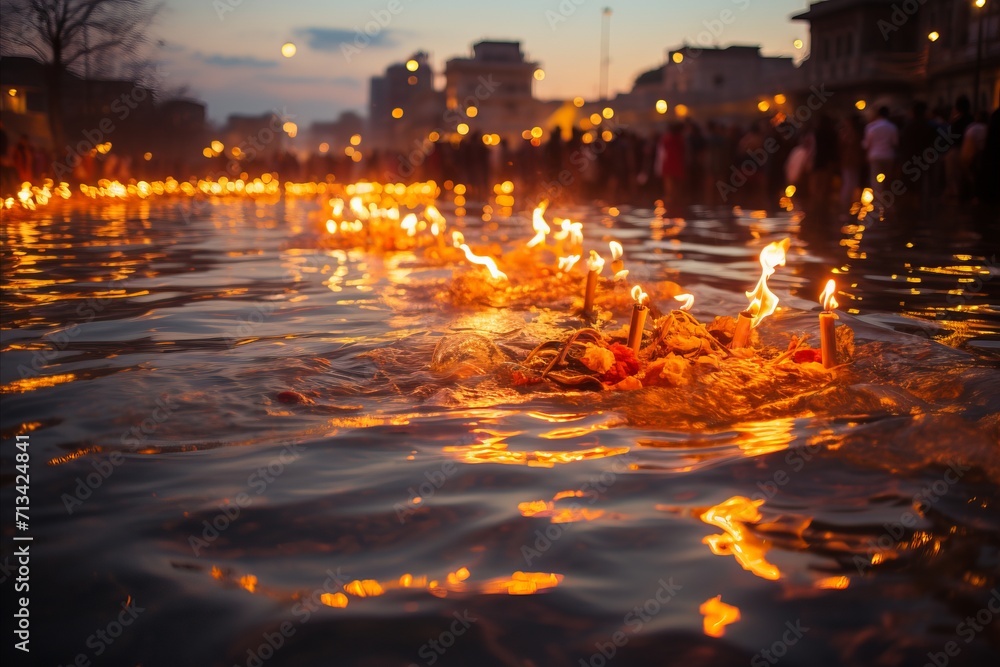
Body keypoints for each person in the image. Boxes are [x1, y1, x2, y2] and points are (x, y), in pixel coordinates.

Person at [862, 106, 898, 201]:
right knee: (887, 179)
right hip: (888, 155)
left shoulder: (871, 127)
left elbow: (866, 144)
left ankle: (878, 200)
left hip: (874, 156)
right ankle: (887, 198)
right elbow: (895, 142)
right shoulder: (892, 127)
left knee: (875, 179)